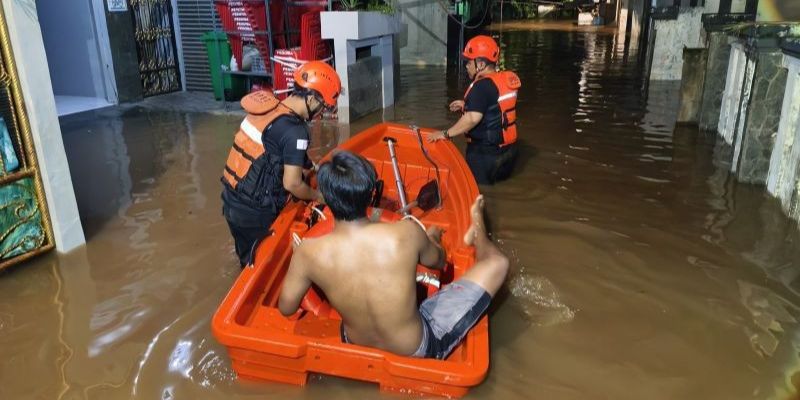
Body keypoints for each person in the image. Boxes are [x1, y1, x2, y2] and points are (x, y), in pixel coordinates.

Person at [278, 151, 509, 359]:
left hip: (355, 343)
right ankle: (477, 227)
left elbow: (287, 308)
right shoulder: (406, 233)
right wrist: (431, 238)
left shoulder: (307, 252)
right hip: (417, 349)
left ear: (325, 198)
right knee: (499, 262)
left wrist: (303, 264)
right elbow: (438, 261)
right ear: (371, 196)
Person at [221, 61, 341, 267]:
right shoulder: (296, 130)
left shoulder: (272, 107)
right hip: (254, 214)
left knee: (246, 258)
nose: (322, 114)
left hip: (231, 199)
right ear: (312, 99)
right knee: (261, 265)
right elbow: (292, 184)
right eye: (323, 107)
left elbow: (280, 152)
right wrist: (318, 196)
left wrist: (317, 169)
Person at [428, 35, 521, 185]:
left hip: (485, 155)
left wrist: (445, 134)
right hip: (508, 153)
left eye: (469, 62)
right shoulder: (502, 80)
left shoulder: (481, 86)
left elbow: (472, 118)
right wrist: (466, 105)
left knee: (477, 191)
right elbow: (494, 107)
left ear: (481, 64)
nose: (466, 66)